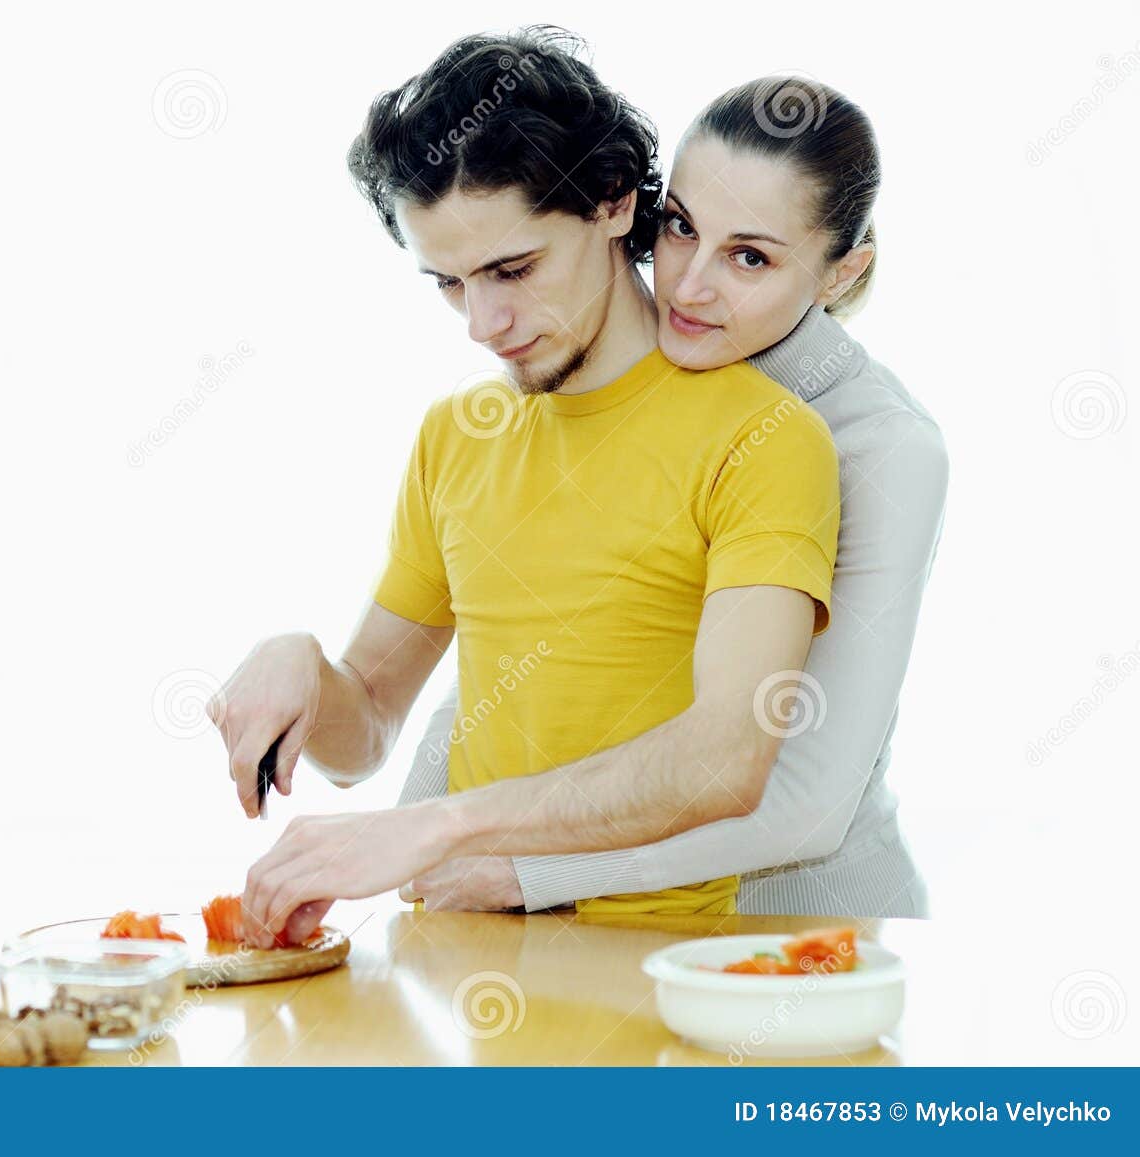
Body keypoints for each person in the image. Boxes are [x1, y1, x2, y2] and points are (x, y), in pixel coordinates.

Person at [207, 27, 846, 948]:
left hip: (655, 967)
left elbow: (724, 759)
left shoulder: (764, 438)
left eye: (513, 270)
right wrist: (303, 665)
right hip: (463, 960)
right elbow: (367, 729)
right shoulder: (455, 438)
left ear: (615, 203)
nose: (482, 322)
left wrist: (437, 825)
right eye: (450, 283)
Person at [396, 76, 948, 920]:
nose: (688, 287)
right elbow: (500, 674)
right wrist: (403, 850)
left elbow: (804, 795)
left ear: (842, 273)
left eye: (750, 256)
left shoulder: (882, 449)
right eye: (681, 227)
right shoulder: (598, 381)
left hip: (806, 937)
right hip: (618, 943)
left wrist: (519, 873)